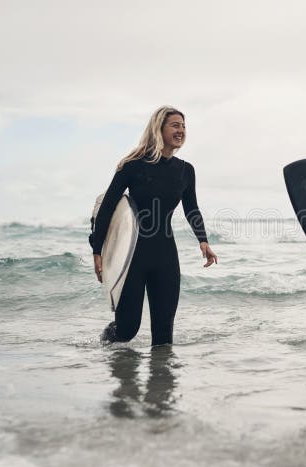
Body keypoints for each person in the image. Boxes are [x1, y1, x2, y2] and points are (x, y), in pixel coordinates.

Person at [90, 106, 218, 345]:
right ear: (159, 128)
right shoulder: (132, 165)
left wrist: (203, 240)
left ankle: (161, 371)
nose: (181, 130)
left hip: (165, 256)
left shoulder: (185, 171)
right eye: (175, 125)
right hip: (132, 256)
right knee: (127, 329)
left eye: (183, 126)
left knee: (163, 336)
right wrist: (97, 250)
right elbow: (107, 207)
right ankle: (106, 345)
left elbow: (191, 208)